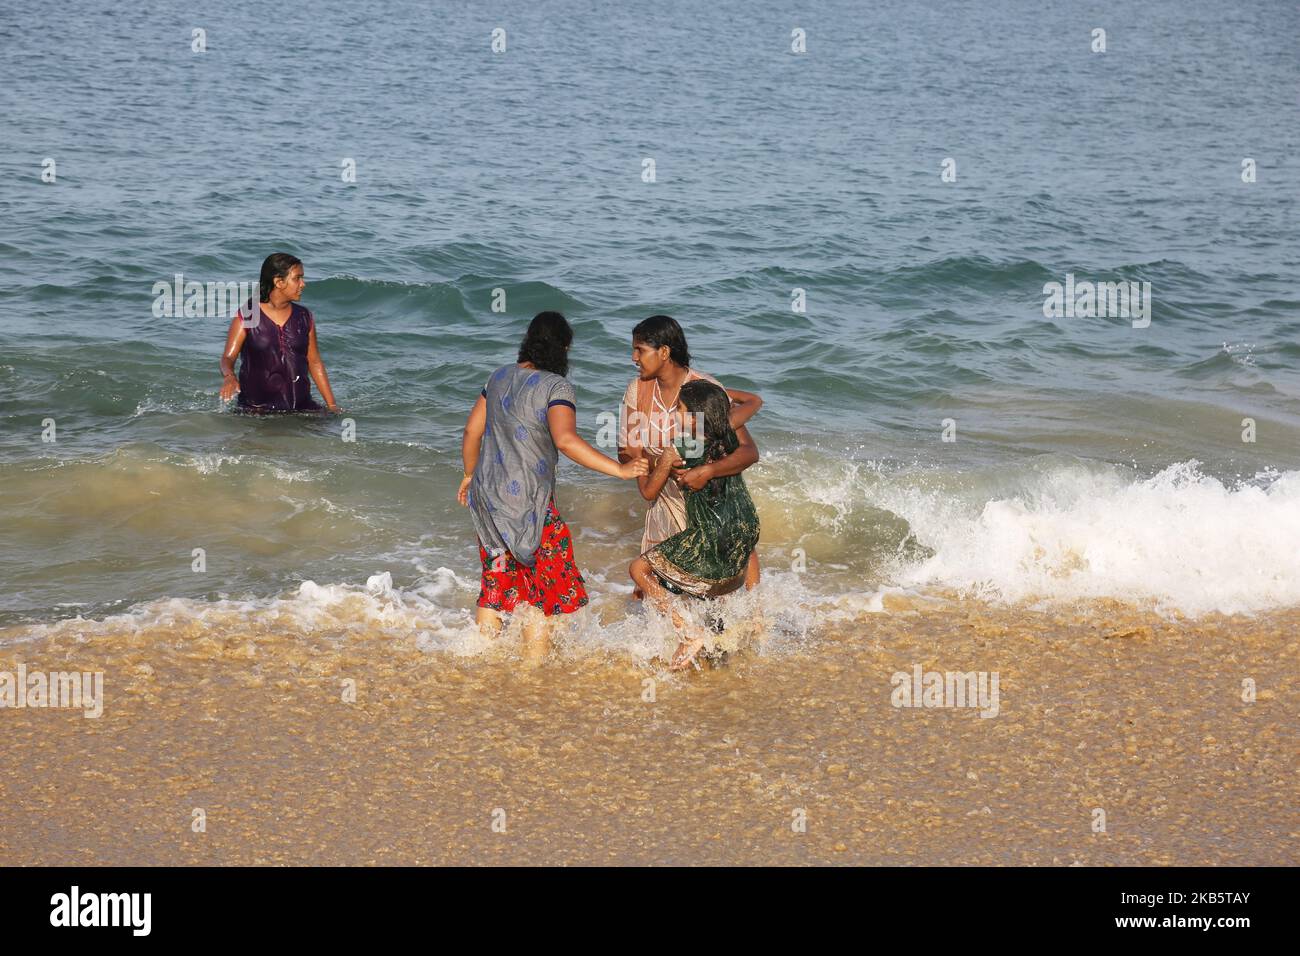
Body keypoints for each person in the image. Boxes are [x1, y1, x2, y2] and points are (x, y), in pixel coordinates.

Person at [458, 311, 648, 662]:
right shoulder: (556, 387)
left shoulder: (498, 376)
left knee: (496, 577)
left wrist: (470, 476)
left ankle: (480, 660)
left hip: (487, 497)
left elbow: (471, 431)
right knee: (543, 581)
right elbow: (565, 440)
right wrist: (620, 471)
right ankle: (534, 669)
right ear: (563, 348)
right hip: (530, 500)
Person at [617, 315, 762, 594]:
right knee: (652, 593)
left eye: (640, 350)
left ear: (664, 352)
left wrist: (706, 471)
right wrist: (661, 466)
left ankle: (751, 618)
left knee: (710, 594)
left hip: (706, 503)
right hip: (663, 503)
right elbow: (627, 452)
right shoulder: (638, 391)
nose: (634, 358)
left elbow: (747, 451)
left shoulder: (704, 390)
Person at [629, 380, 761, 671]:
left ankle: (688, 634)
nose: (674, 414)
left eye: (679, 409)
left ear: (694, 417)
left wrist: (641, 467)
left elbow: (650, 492)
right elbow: (754, 401)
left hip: (709, 535)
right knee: (718, 579)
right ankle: (752, 617)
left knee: (638, 569)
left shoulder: (681, 447)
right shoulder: (727, 435)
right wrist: (726, 392)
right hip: (744, 528)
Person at [219, 253, 342, 413]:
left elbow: (315, 362)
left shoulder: (304, 317)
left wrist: (332, 406)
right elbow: (227, 358)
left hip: (300, 408)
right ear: (279, 282)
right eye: (297, 278)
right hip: (256, 411)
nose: (303, 284)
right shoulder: (248, 315)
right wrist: (229, 377)